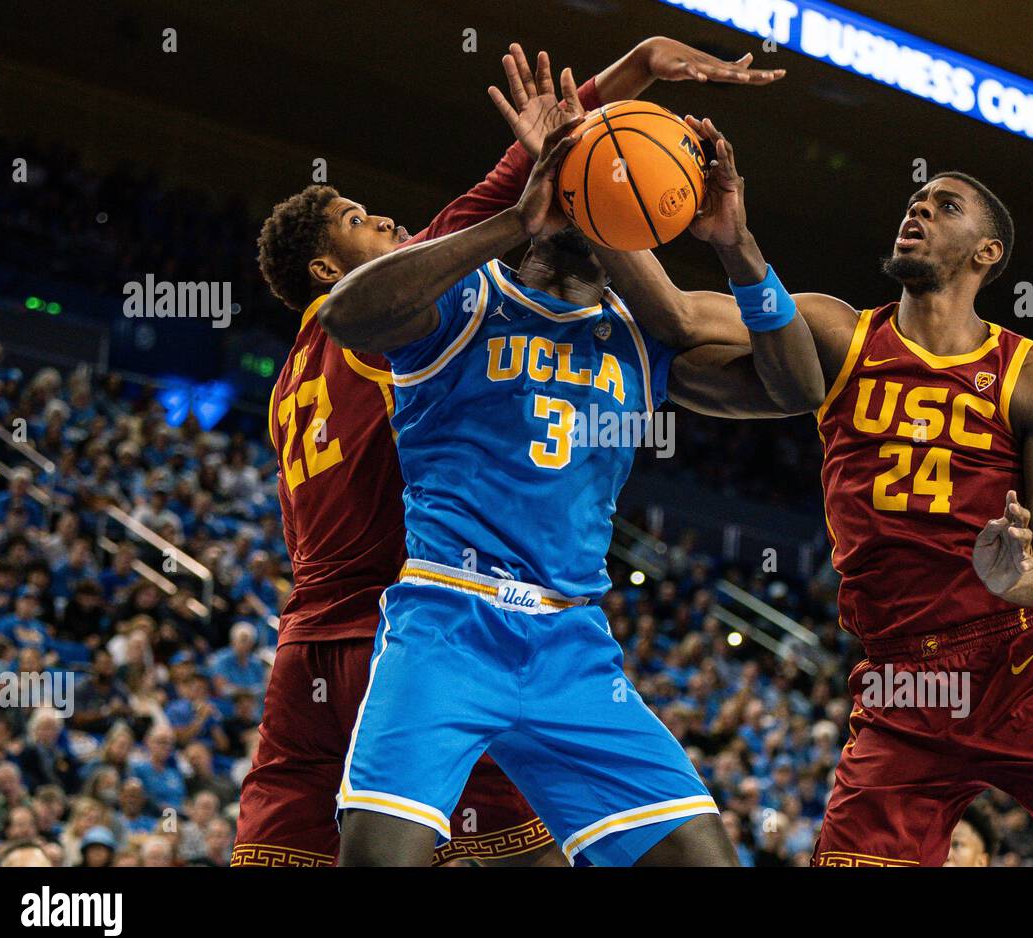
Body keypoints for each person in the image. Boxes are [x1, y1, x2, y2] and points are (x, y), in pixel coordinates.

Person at [237, 37, 784, 868]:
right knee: (520, 856)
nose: (388, 220)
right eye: (357, 219)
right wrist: (637, 68)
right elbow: (545, 167)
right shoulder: (417, 295)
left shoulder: (287, 385)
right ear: (325, 267)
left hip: (307, 650)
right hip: (420, 625)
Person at [596, 141, 1033, 867]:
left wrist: (1012, 578)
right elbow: (683, 318)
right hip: (898, 685)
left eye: (945, 206)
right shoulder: (841, 332)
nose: (918, 208)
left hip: (1013, 670)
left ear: (986, 252)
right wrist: (599, 204)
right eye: (917, 201)